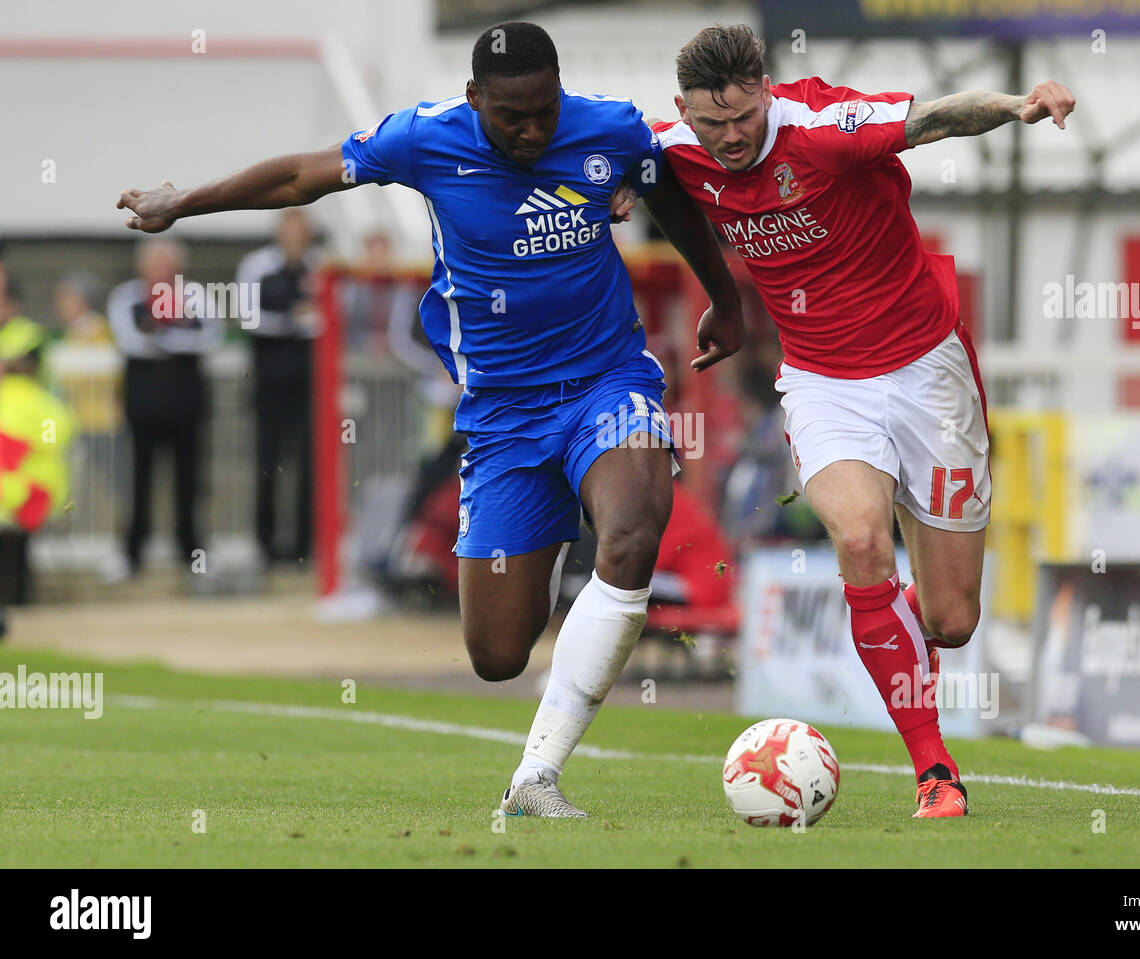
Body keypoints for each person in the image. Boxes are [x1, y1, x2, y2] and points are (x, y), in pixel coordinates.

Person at [116, 20, 743, 817]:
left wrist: (723, 296)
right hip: (503, 415)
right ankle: (546, 547)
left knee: (632, 527)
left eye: (545, 112)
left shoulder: (612, 127)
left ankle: (536, 777)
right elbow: (303, 177)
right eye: (512, 115)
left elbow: (673, 193)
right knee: (496, 656)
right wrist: (185, 201)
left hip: (605, 381)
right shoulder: (423, 137)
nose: (532, 130)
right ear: (475, 98)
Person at [635, 24, 1075, 818]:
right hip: (821, 380)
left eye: (743, 117)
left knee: (953, 619)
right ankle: (935, 770)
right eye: (712, 123)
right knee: (863, 541)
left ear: (767, 90)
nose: (730, 138)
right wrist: (722, 297)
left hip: (926, 368)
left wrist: (1016, 105)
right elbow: (639, 178)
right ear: (683, 112)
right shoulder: (673, 147)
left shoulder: (825, 129)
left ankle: (902, 618)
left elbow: (937, 116)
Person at [106, 239, 223, 574]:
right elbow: (131, 341)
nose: (160, 271)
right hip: (143, 400)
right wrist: (175, 334)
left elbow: (210, 336)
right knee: (139, 478)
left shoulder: (195, 294)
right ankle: (132, 555)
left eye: (166, 265)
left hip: (186, 400)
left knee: (189, 478)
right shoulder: (127, 296)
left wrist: (162, 334)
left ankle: (192, 553)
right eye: (154, 265)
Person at [236, 209, 323, 565]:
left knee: (310, 467)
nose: (294, 237)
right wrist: (292, 319)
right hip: (270, 381)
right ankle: (266, 546)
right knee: (267, 464)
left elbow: (329, 318)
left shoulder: (320, 265)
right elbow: (247, 316)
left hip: (310, 383)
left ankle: (305, 547)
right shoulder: (256, 265)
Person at [0, 319, 77, 640]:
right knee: (15, 561)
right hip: (32, 497)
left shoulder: (16, 399)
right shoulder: (47, 403)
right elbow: (59, 434)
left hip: (17, 496)